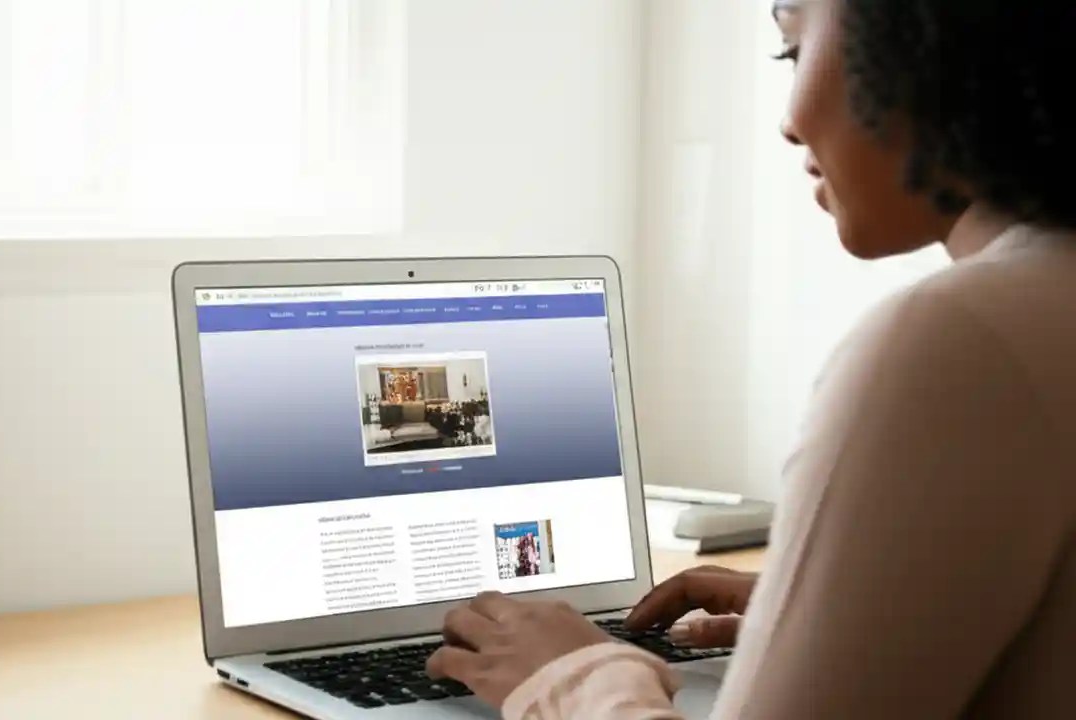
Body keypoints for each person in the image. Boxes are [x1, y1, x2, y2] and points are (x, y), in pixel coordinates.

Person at [426, 0, 1076, 717]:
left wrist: (574, 674)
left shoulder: (959, 341)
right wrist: (829, 612)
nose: (789, 120)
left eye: (792, 52)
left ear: (930, 39)